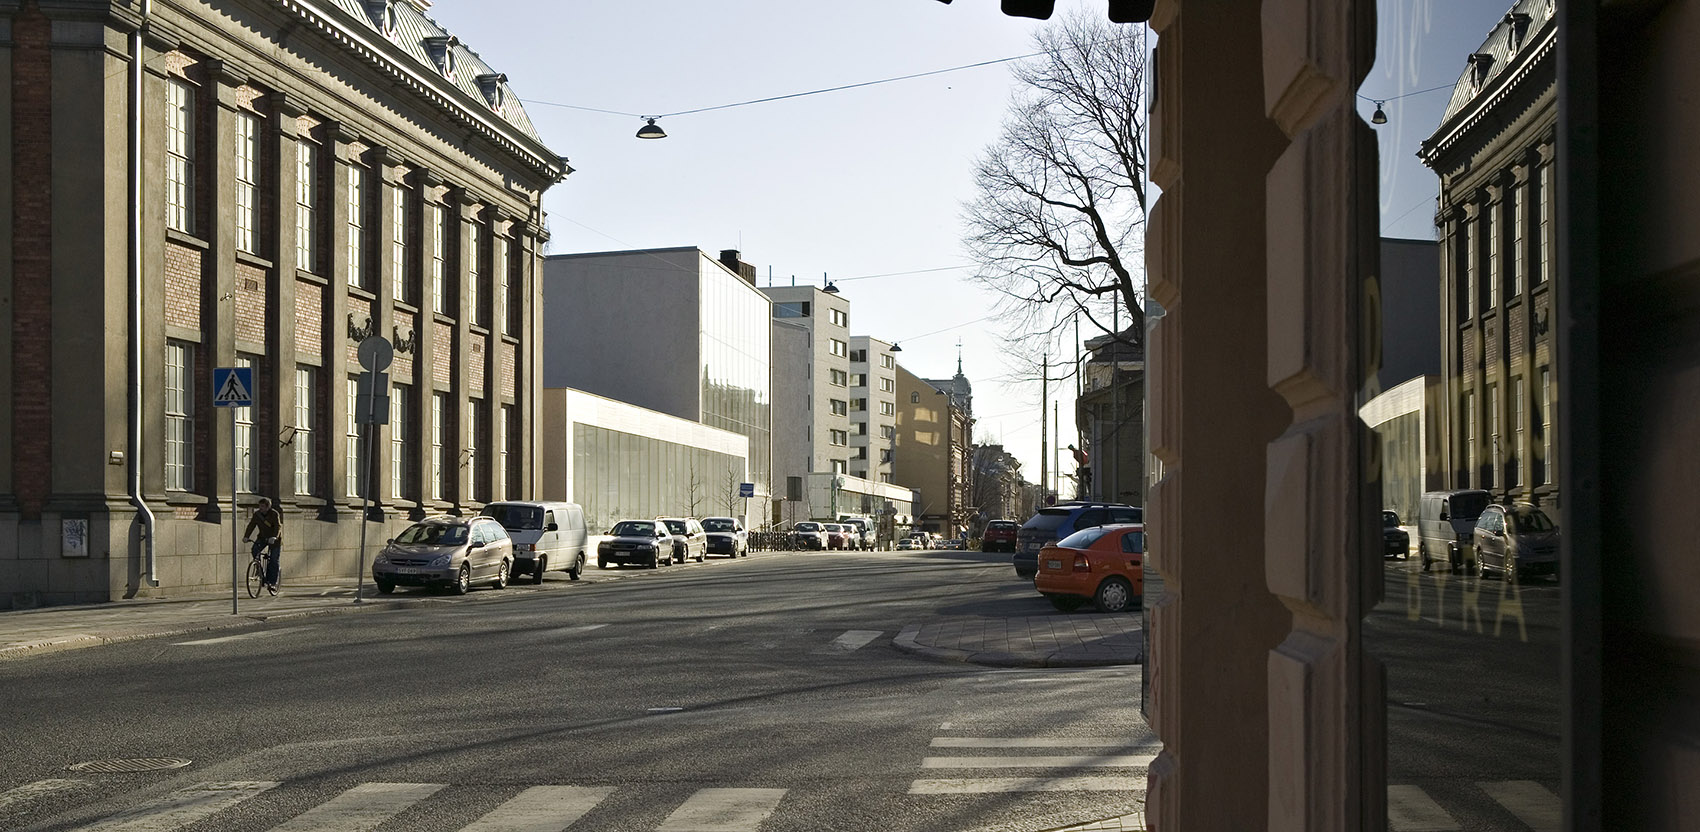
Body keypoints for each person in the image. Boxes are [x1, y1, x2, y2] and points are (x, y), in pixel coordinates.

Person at [243, 497, 283, 595]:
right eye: (259, 506)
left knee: (273, 560)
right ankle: (259, 570)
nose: (260, 508)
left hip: (275, 540)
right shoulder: (257, 515)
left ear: (268, 507)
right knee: (255, 550)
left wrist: (274, 537)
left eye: (262, 506)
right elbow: (251, 525)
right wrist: (246, 536)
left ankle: (272, 583)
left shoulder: (274, 514)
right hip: (263, 537)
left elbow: (278, 526)